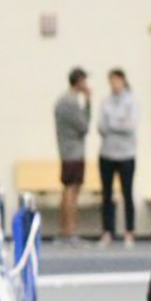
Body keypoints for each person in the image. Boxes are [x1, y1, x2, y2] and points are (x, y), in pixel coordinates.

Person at [96, 67, 139, 247]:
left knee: (127, 193)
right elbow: (100, 127)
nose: (113, 84)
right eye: (111, 81)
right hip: (107, 154)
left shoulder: (131, 102)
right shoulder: (105, 102)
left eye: (116, 80)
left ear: (123, 80)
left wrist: (113, 123)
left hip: (126, 154)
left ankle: (129, 232)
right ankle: (108, 231)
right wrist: (118, 122)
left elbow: (130, 127)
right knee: (107, 194)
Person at [53, 68, 91, 242]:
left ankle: (65, 229)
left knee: (67, 189)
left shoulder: (61, 100)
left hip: (65, 150)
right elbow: (84, 127)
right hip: (73, 151)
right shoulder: (71, 102)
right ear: (78, 82)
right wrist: (89, 103)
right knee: (72, 190)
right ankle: (69, 230)